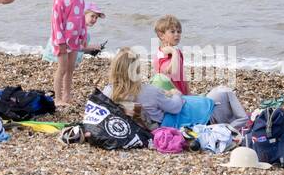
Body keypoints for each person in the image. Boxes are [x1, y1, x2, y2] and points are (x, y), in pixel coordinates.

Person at [104, 47, 248, 129]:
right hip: (199, 116)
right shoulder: (148, 91)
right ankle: (240, 122)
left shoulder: (108, 92)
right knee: (223, 91)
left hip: (165, 120)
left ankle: (236, 121)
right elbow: (175, 108)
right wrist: (176, 93)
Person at [47, 0, 94, 108]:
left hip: (74, 40)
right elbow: (56, 22)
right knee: (62, 69)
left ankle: (67, 95)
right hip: (62, 41)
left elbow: (81, 19)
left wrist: (83, 36)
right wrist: (60, 43)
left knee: (71, 68)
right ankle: (58, 98)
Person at [153, 14, 189, 93]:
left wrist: (188, 93)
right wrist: (174, 52)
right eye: (172, 32)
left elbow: (183, 77)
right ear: (161, 35)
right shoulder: (160, 56)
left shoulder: (178, 52)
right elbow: (173, 72)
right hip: (168, 96)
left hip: (181, 95)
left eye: (179, 31)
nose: (177, 34)